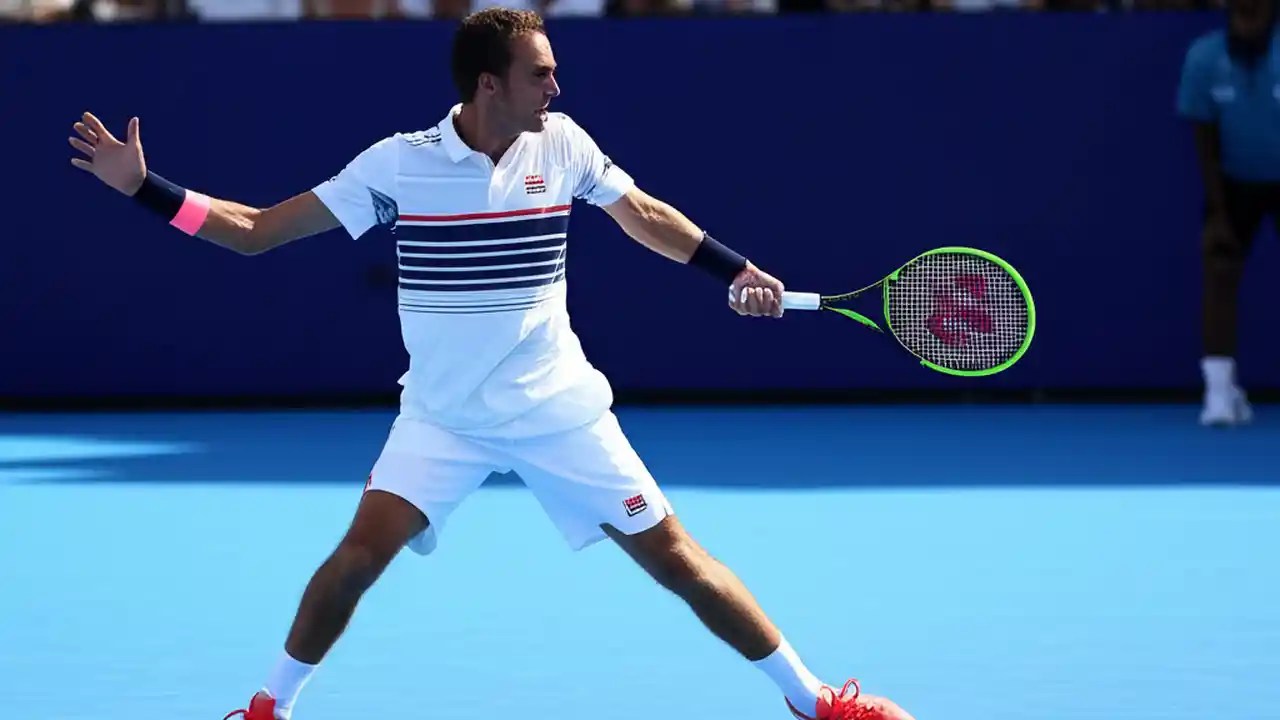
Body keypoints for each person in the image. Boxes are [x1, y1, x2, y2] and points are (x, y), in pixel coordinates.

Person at [67, 9, 914, 720]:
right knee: (357, 558)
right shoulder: (398, 165)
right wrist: (147, 188)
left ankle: (815, 703)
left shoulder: (567, 146)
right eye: (541, 74)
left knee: (679, 561)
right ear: (488, 86)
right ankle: (268, 708)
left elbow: (646, 216)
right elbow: (254, 232)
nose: (557, 88)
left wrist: (736, 272)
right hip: (442, 417)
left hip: (559, 410)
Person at [1177, 0, 1280, 426]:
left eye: (1257, 11)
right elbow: (1204, 141)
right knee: (1219, 266)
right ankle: (1219, 392)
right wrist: (1218, 214)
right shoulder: (1204, 58)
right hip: (1234, 184)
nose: (1249, 19)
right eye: (1241, 12)